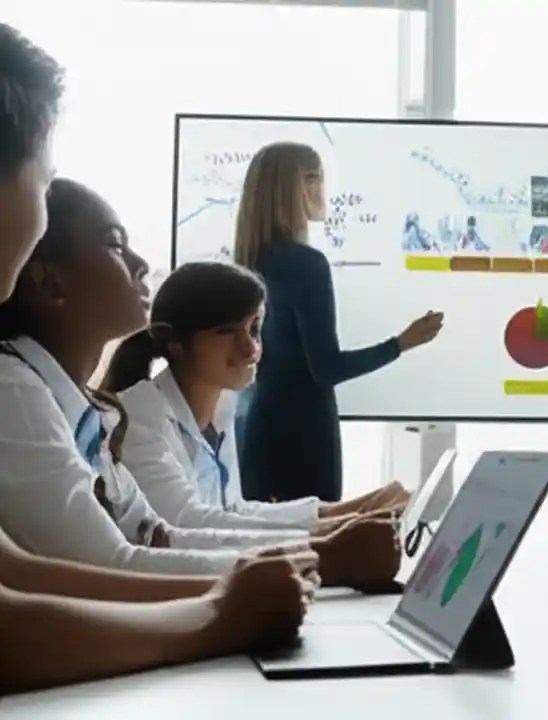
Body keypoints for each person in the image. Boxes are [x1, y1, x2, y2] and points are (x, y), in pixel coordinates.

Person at [0, 21, 310, 694]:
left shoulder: (80, 404)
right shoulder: (13, 386)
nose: (139, 264)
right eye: (41, 176)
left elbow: (27, 571)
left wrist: (277, 568)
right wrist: (226, 607)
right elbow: (94, 570)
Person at [0, 177, 401, 590]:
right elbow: (115, 565)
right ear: (51, 284)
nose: (139, 263)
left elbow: (162, 537)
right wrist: (324, 554)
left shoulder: (91, 413)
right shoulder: (15, 390)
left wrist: (326, 540)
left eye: (256, 329)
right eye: (115, 244)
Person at [103, 261, 409, 535]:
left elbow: (234, 511)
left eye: (254, 329)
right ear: (177, 344)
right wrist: (339, 530)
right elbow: (188, 522)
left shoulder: (223, 410)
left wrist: (356, 508)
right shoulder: (139, 416)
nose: (250, 349)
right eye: (226, 332)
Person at [233, 142, 444, 503]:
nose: (323, 189)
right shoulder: (306, 264)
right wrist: (401, 343)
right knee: (313, 549)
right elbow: (326, 368)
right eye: (317, 178)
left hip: (258, 429)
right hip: (304, 435)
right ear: (300, 186)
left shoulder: (248, 261)